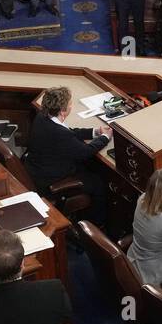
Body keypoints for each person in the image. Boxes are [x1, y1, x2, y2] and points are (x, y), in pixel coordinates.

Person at [23, 86, 109, 224]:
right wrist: (105, 137)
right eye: (70, 103)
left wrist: (95, 132)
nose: (71, 105)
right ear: (63, 111)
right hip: (50, 180)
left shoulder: (42, 117)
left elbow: (70, 132)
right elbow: (85, 152)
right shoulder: (60, 133)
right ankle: (97, 223)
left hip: (37, 168)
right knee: (98, 181)